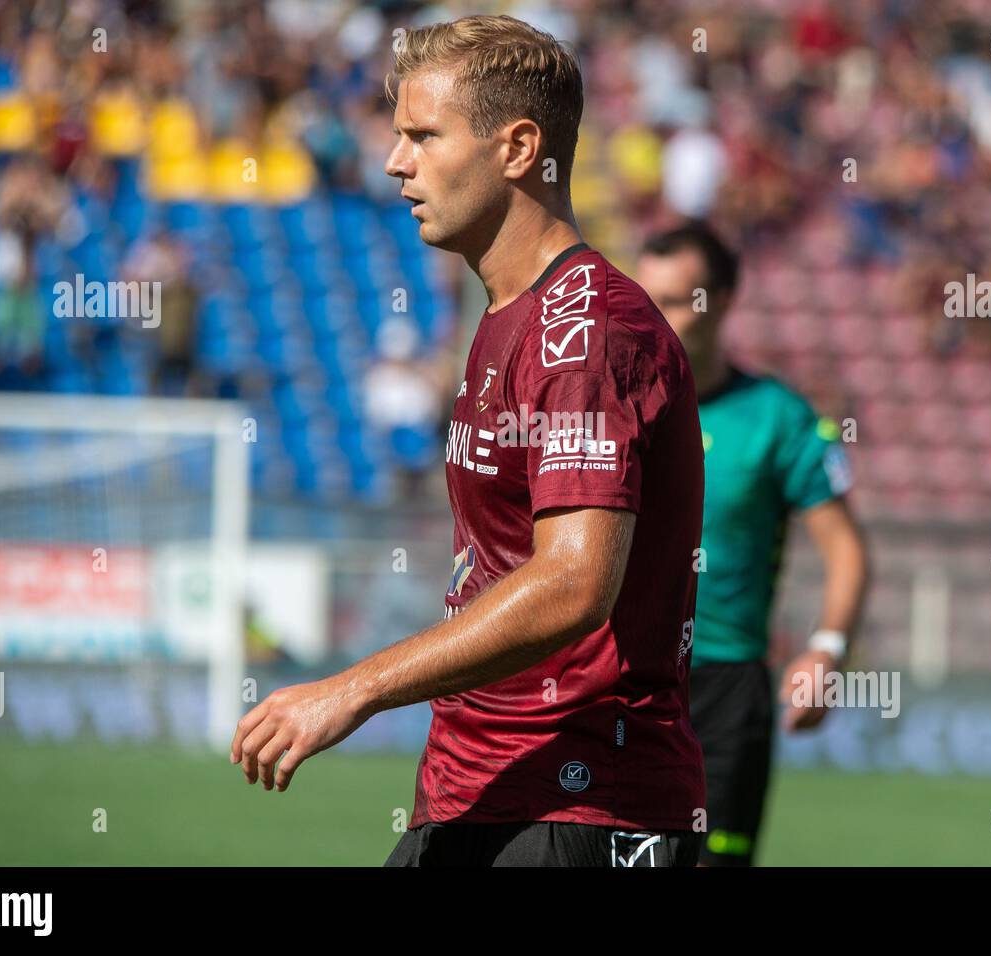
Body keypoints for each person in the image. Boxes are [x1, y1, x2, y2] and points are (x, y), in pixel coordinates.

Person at [230, 15, 707, 868]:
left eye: (423, 135)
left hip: (578, 807)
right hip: (480, 792)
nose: (394, 161)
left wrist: (356, 689)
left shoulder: (587, 332)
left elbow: (572, 584)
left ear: (518, 147)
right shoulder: (501, 314)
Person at [637, 223, 870, 866]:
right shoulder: (609, 409)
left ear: (726, 297)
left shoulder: (779, 417)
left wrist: (826, 651)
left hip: (724, 693)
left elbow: (845, 549)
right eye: (647, 299)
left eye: (681, 300)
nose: (661, 318)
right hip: (615, 680)